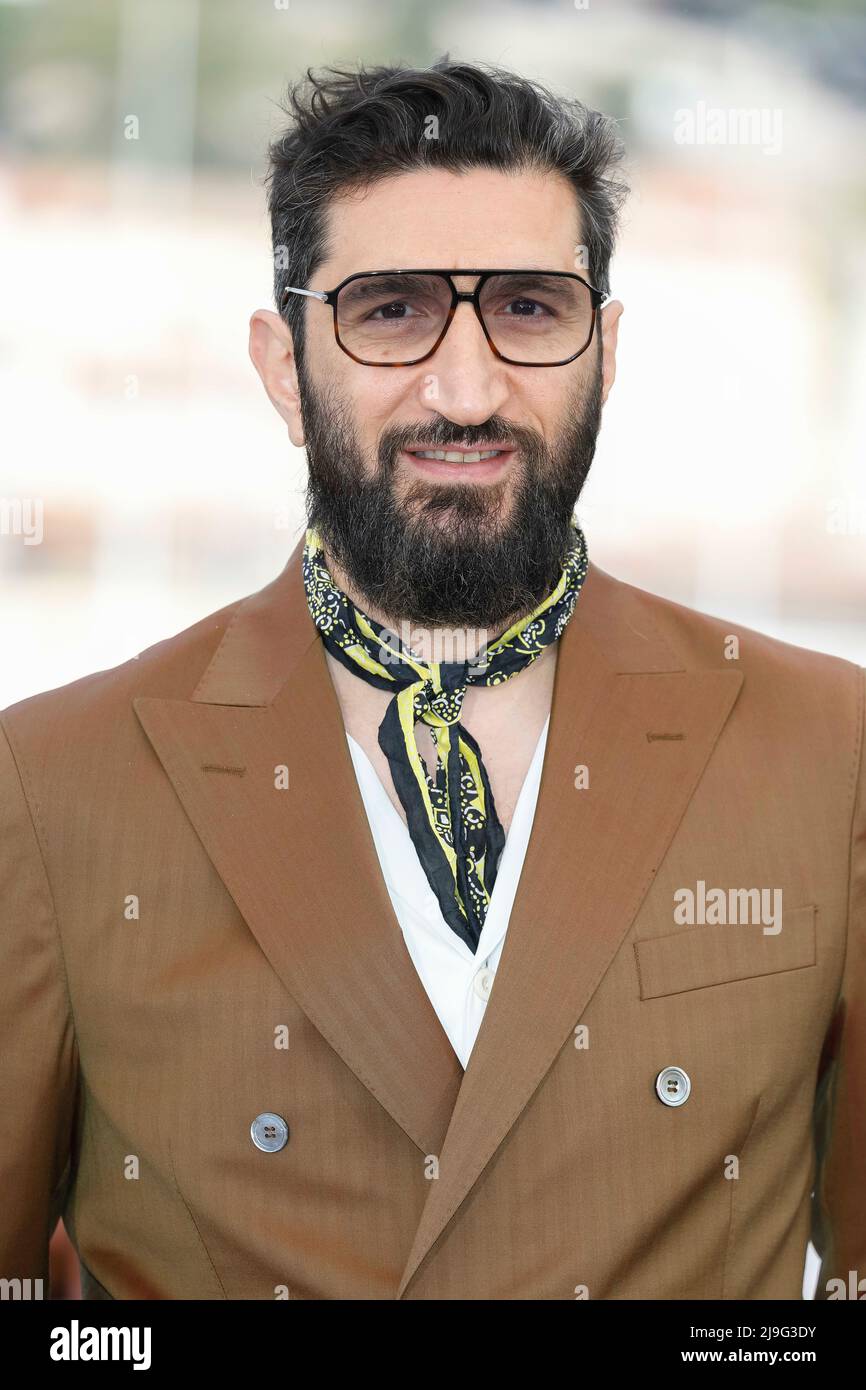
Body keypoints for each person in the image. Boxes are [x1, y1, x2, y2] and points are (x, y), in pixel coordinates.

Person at [1, 58, 863, 1302]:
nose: (465, 391)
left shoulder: (827, 750)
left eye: (528, 308)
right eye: (391, 310)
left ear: (604, 350)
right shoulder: (51, 785)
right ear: (282, 364)